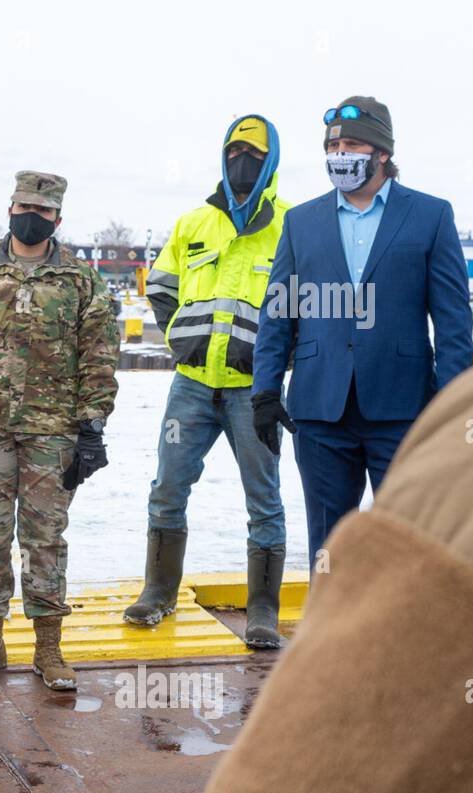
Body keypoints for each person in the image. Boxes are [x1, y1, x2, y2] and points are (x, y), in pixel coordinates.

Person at [162, 302, 473, 793]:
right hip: (282, 397)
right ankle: (176, 595)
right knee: (190, 499)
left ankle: (266, 610)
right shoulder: (249, 229)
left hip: (386, 405)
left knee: (276, 513)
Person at [252, 96, 473, 568]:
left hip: (404, 409)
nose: (339, 154)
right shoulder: (300, 222)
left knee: (408, 540)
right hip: (319, 410)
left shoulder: (431, 216)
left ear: (382, 153)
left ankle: (405, 638)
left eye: (350, 144)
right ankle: (333, 642)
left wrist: (452, 407)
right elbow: (278, 314)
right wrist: (265, 390)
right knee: (330, 546)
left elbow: (454, 322)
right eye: (332, 146)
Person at [0, 171, 120, 692]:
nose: (31, 216)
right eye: (23, 206)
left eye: (43, 210)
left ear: (57, 218)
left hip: (52, 430)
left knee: (45, 540)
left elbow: (99, 356)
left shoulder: (81, 280)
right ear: (10, 208)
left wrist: (92, 428)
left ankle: (49, 648)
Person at [124, 115, 292, 647]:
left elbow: (304, 304)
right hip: (192, 384)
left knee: (263, 498)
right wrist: (183, 337)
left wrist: (276, 362)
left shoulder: (294, 224)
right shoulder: (193, 223)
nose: (242, 161)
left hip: (255, 390)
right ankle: (158, 592)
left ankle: (262, 611)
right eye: (235, 151)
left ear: (271, 163)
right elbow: (162, 285)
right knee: (168, 488)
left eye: (254, 154)